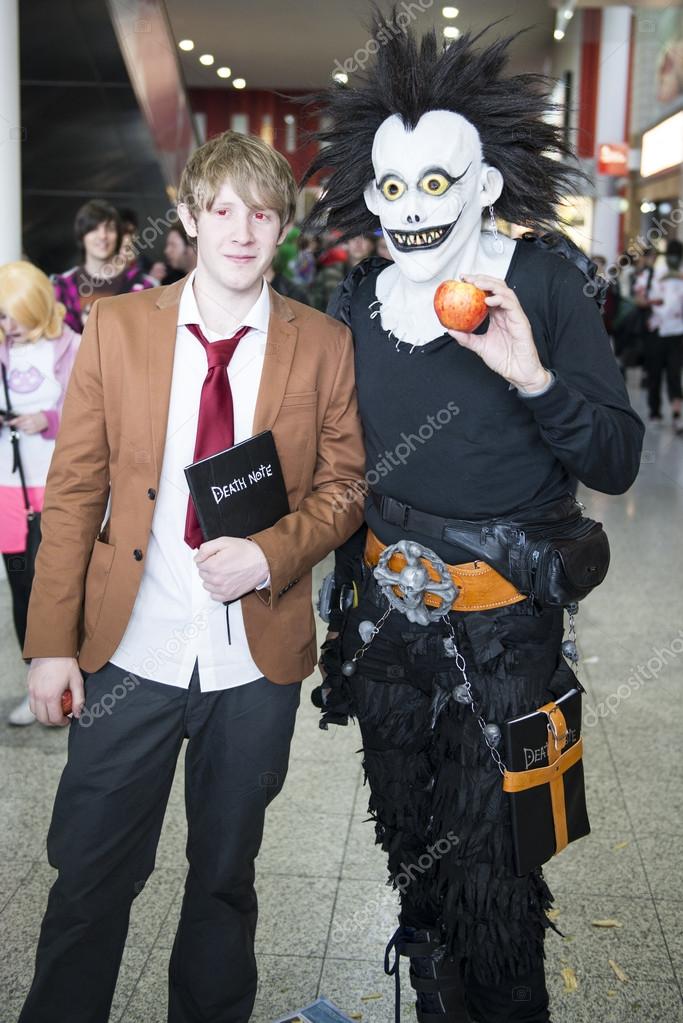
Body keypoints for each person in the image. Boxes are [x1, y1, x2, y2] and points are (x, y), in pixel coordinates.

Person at [302, 18, 644, 1023]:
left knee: (495, 880)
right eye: (394, 188)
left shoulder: (538, 277)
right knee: (412, 859)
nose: (413, 209)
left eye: (437, 183)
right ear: (370, 196)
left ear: (484, 184)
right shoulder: (362, 294)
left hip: (506, 638)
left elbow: (614, 456)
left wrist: (532, 375)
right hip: (384, 636)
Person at [18, 129, 365, 1023]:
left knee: (223, 879)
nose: (241, 232)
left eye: (261, 213)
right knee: (90, 870)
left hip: (253, 664)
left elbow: (344, 485)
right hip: (131, 651)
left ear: (280, 227)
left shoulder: (320, 342)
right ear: (187, 218)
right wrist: (50, 644)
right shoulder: (121, 329)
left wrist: (273, 551)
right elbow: (74, 489)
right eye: (221, 211)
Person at [0, 262, 80, 726]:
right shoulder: (3, 349)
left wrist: (45, 422)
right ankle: (37, 687)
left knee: (61, 583)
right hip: (9, 488)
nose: (7, 326)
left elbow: (88, 419)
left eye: (13, 316)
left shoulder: (71, 348)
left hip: (58, 484)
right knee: (21, 585)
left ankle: (69, 683)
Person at [52, 199, 157, 333]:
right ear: (81, 236)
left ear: (119, 236)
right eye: (93, 229)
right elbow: (59, 341)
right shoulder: (64, 286)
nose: (102, 236)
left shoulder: (144, 286)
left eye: (110, 229)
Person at [646, 238, 683, 431]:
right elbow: (649, 299)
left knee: (674, 374)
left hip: (676, 332)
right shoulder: (657, 273)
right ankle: (655, 412)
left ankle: (676, 414)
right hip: (658, 331)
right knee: (656, 373)